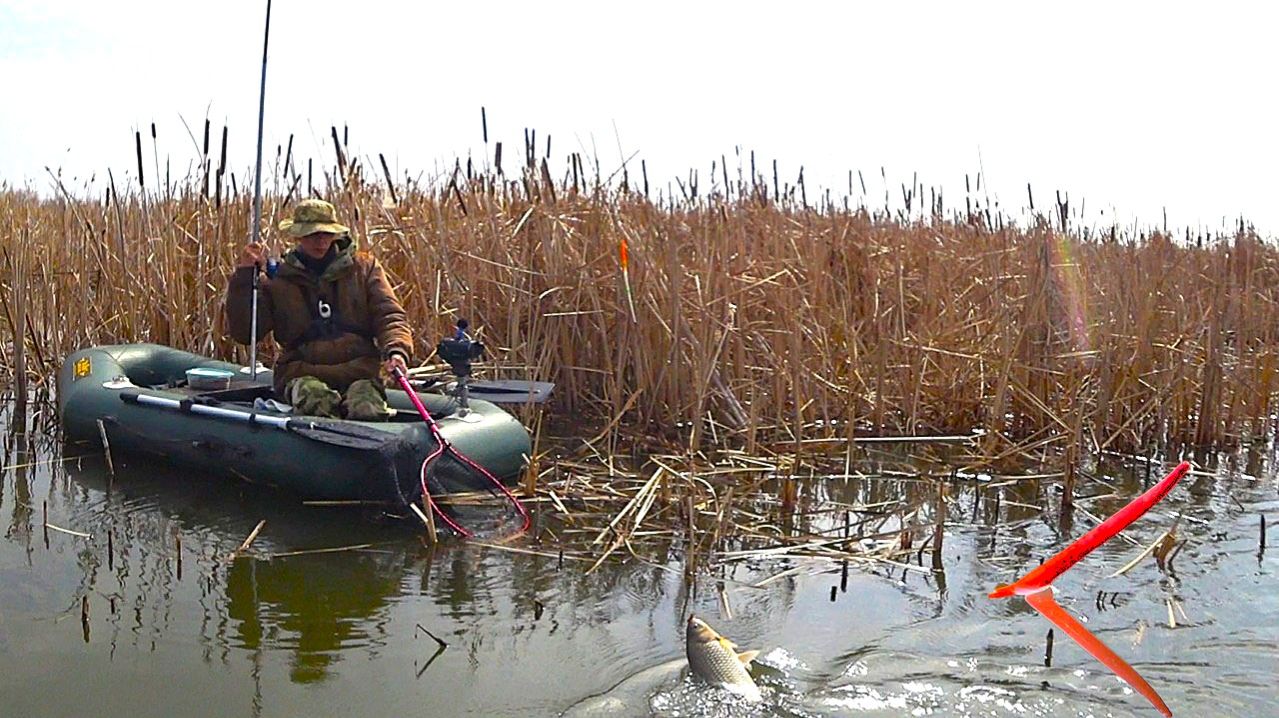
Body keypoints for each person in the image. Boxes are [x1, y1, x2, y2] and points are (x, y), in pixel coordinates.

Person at [224, 198, 412, 419]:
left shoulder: (363, 268)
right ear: (297, 237)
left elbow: (389, 315)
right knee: (317, 403)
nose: (320, 242)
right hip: (301, 372)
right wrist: (245, 277)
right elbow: (245, 332)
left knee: (367, 409)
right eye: (312, 235)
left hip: (359, 371)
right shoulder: (278, 278)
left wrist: (397, 351)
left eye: (326, 234)